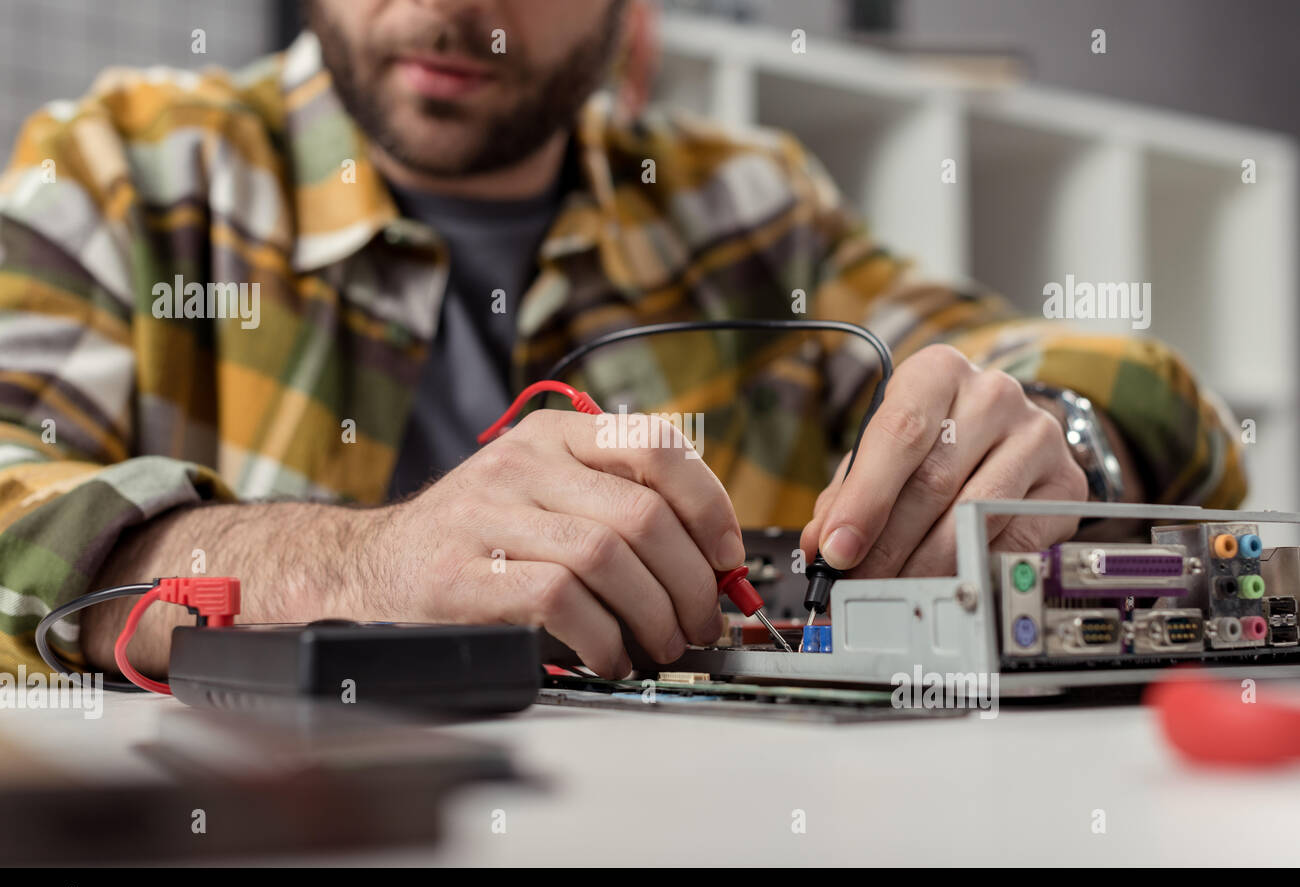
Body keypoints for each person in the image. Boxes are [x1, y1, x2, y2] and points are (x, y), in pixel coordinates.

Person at [0, 0, 1243, 681]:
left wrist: (1058, 444)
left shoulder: (748, 209)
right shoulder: (121, 170)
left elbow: (1082, 383)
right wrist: (345, 570)